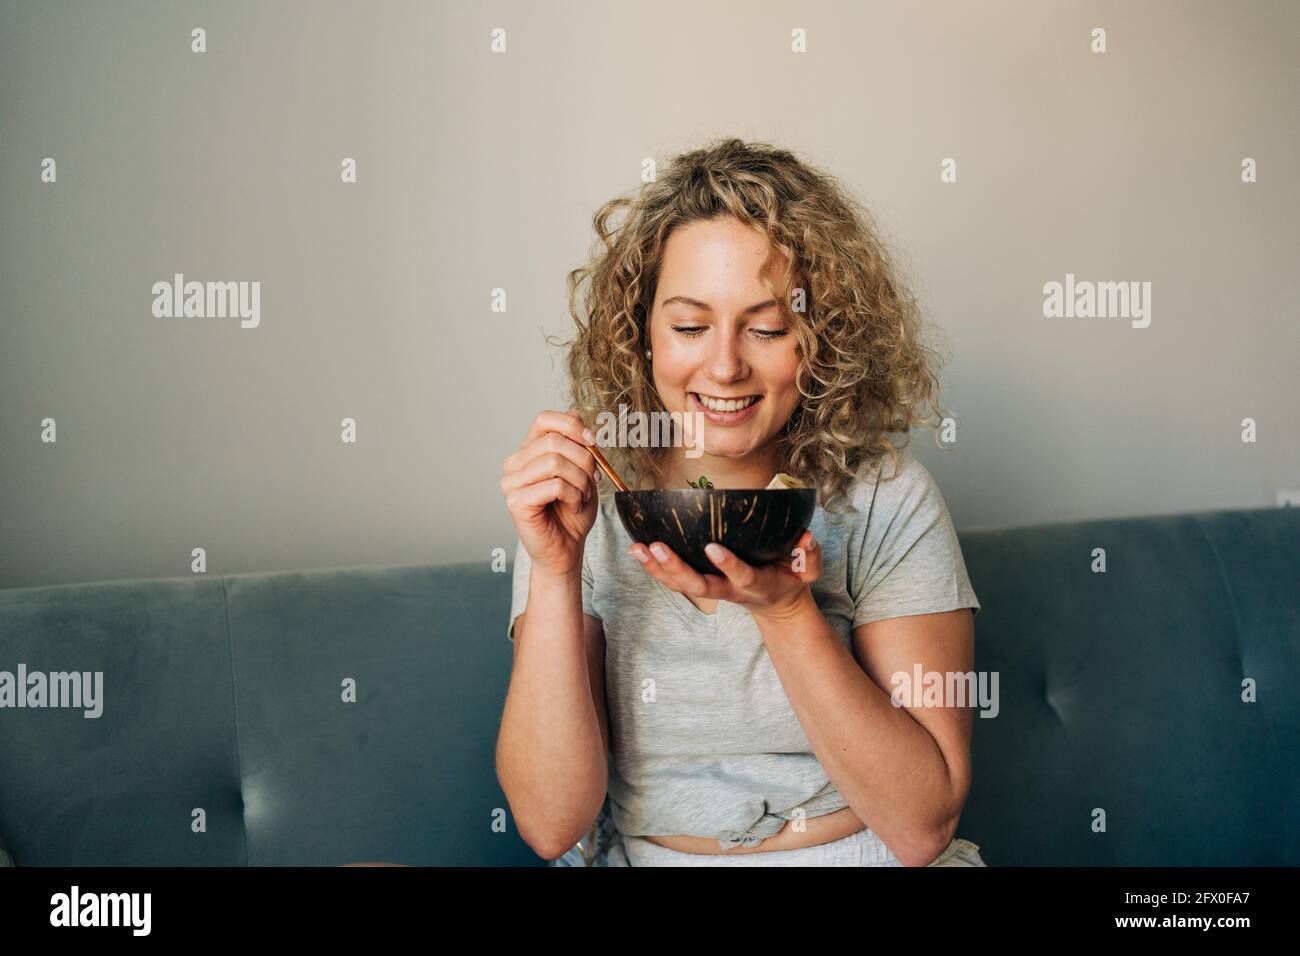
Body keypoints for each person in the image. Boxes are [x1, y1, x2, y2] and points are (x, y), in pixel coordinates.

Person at [496, 138, 986, 867]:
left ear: (822, 339)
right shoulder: (584, 502)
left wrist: (785, 611)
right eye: (690, 326)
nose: (724, 366)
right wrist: (554, 571)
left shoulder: (886, 495)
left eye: (766, 328)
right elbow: (549, 825)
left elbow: (921, 827)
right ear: (642, 335)